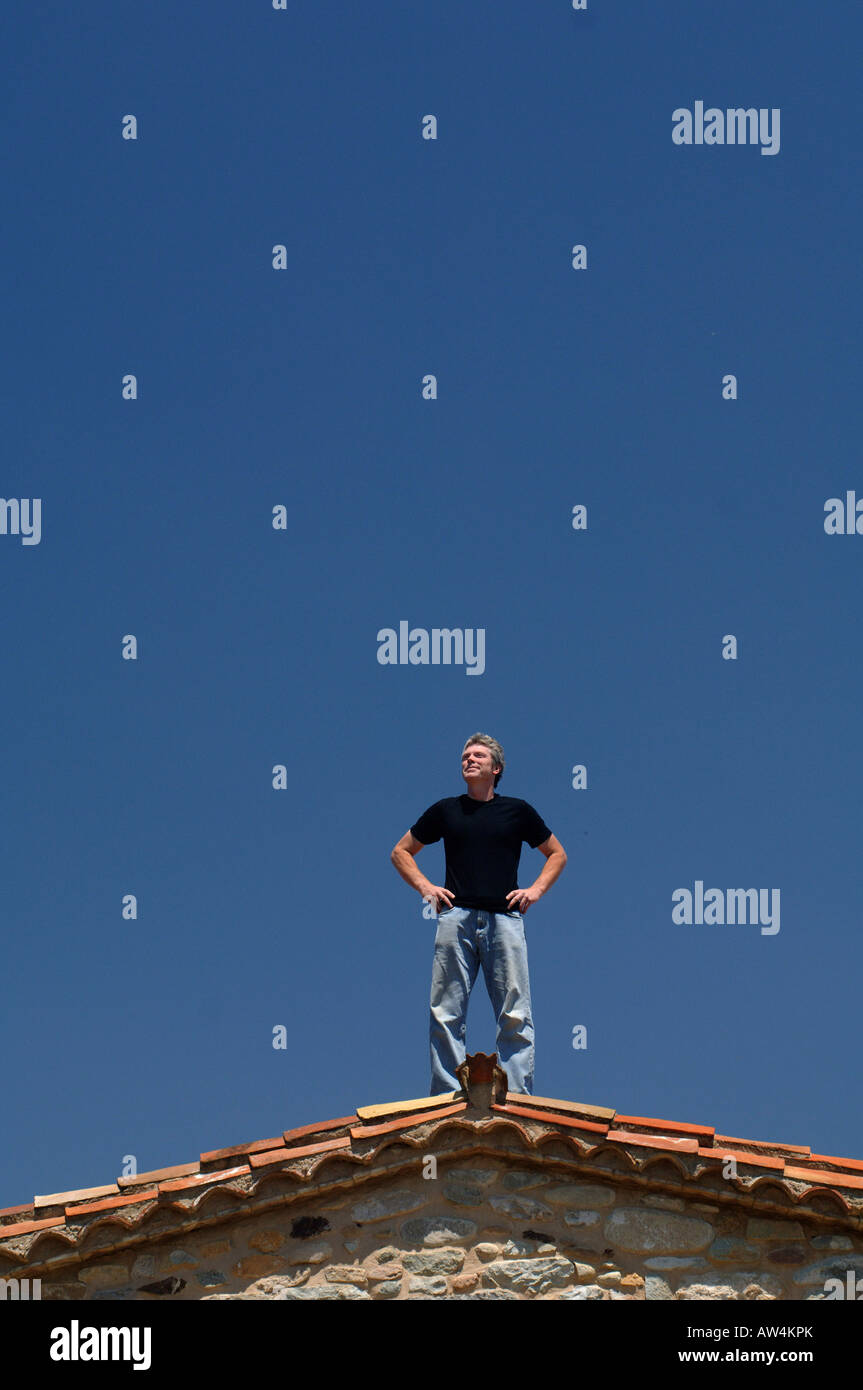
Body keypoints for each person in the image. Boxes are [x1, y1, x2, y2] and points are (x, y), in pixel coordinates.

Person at [390, 733, 567, 1096]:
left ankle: (517, 1096)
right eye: (465, 756)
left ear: (496, 768)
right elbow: (401, 851)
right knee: (445, 1011)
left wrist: (534, 891)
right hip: (456, 919)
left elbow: (557, 853)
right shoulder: (445, 810)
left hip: (505, 920)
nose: (469, 760)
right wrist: (426, 888)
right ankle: (446, 1095)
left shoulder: (517, 811)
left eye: (478, 755)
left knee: (515, 1013)